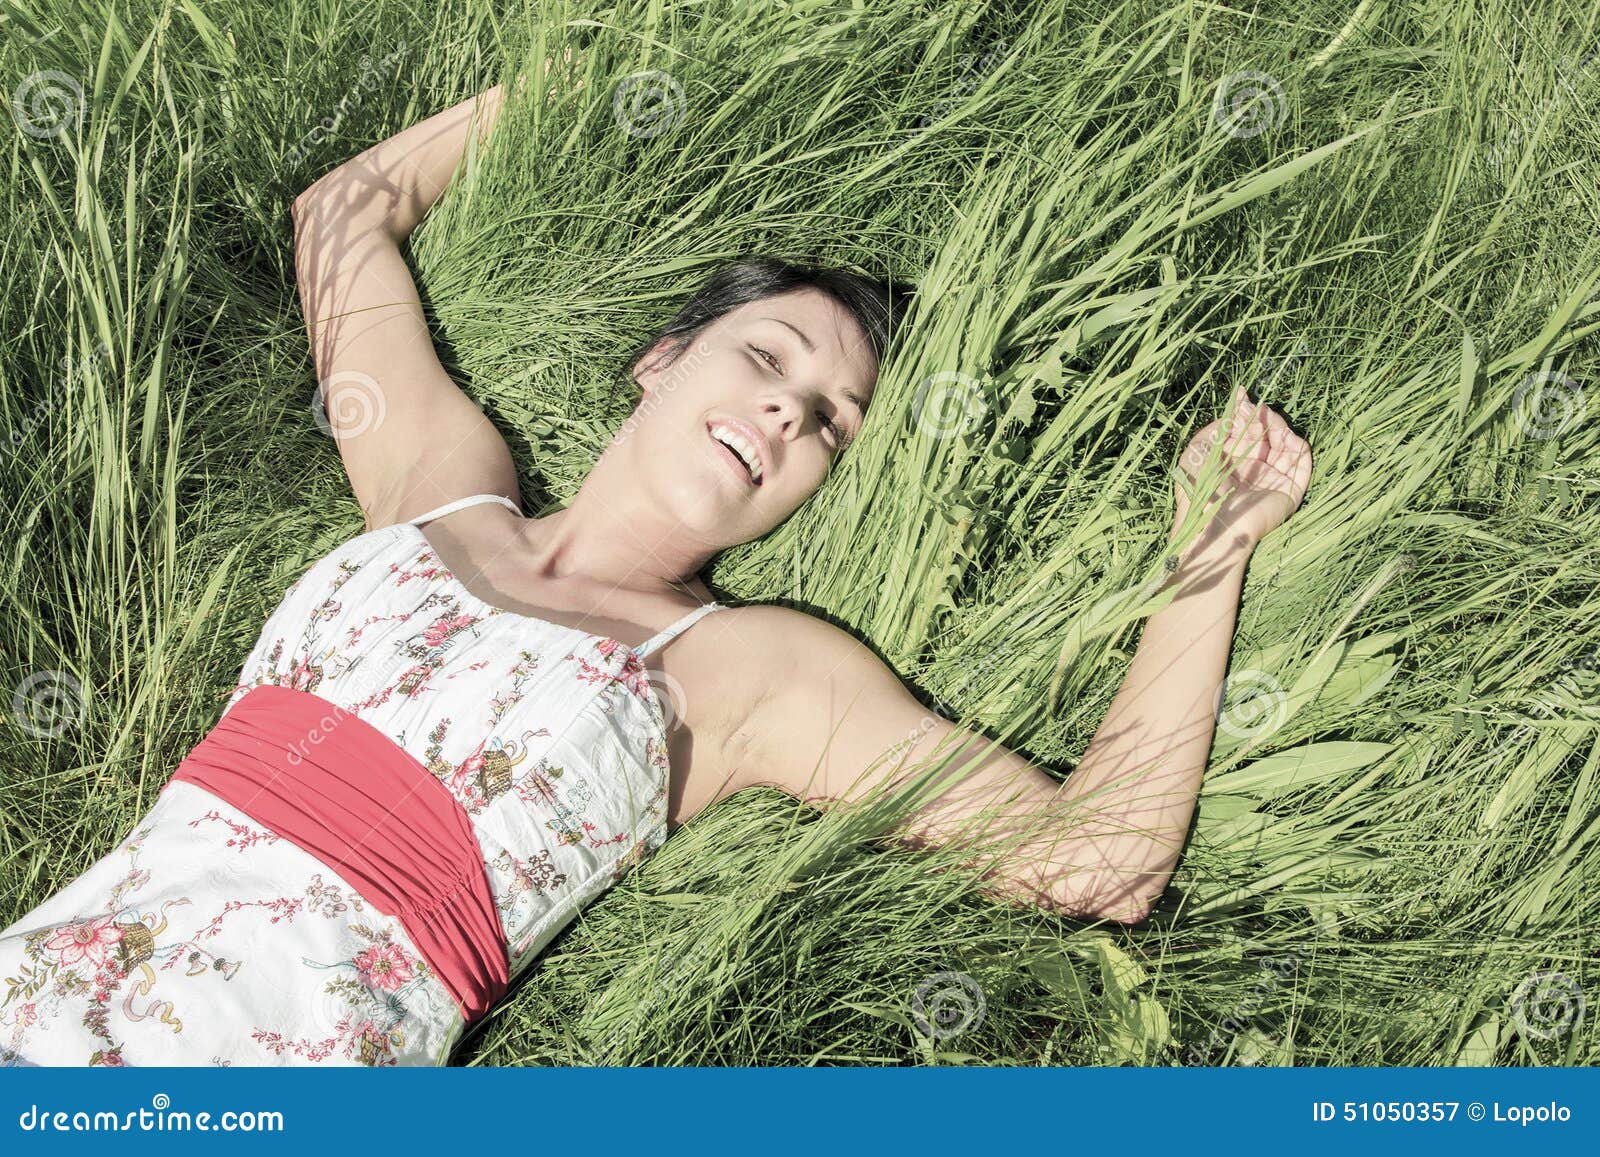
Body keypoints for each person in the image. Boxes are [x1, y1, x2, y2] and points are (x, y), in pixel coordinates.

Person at [0, 74, 1310, 1067]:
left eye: (834, 418)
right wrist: (590, 67)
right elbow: (342, 214)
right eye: (769, 356)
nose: (796, 409)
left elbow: (1098, 860)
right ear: (660, 359)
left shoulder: (749, 671)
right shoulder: (439, 486)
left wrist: (1213, 554)